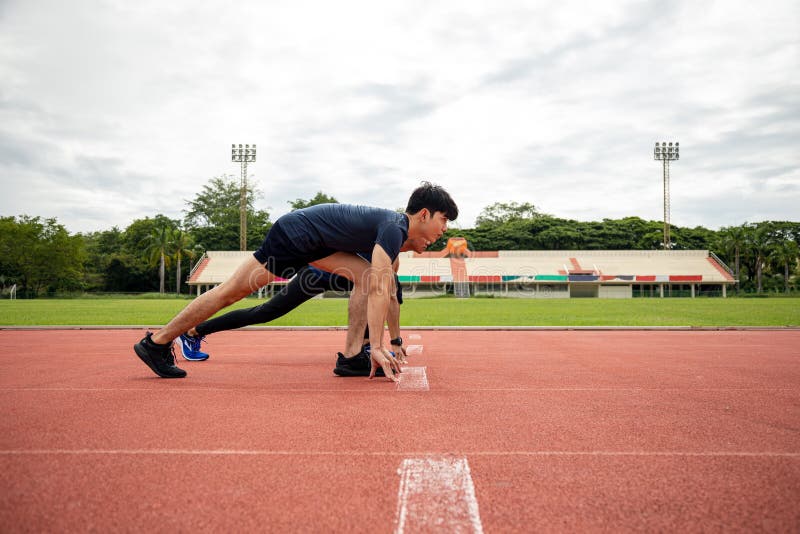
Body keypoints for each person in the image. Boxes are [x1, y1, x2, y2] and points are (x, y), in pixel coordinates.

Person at [133, 182, 457, 381]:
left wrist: (382, 343)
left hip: (314, 244)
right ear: (424, 214)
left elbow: (381, 288)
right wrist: (380, 345)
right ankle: (157, 343)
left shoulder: (392, 230)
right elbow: (380, 289)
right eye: (444, 220)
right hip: (296, 234)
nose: (444, 229)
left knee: (368, 276)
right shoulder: (394, 226)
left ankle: (352, 356)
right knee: (230, 293)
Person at [177, 245, 424, 376]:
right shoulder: (380, 246)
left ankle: (366, 348)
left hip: (343, 278)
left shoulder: (392, 257)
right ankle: (193, 332)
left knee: (377, 291)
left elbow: (391, 299)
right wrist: (392, 340)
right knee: (265, 312)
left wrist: (395, 340)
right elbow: (388, 297)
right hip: (315, 276)